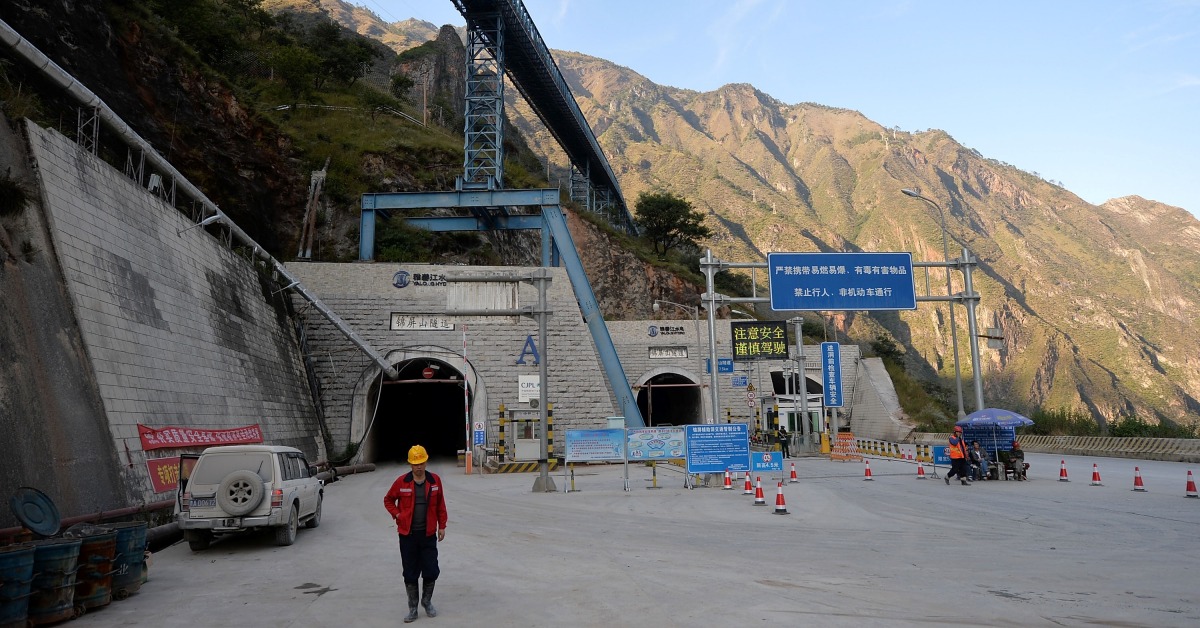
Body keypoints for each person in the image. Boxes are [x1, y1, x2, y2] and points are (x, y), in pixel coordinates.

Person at [384, 445, 448, 622]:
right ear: (410, 464)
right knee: (410, 572)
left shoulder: (435, 481)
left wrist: (442, 526)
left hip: (428, 535)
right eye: (415, 463)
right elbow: (388, 499)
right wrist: (397, 514)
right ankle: (413, 608)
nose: (418, 467)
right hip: (408, 536)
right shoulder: (401, 482)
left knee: (431, 570)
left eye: (421, 463)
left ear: (426, 462)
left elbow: (441, 505)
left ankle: (426, 602)